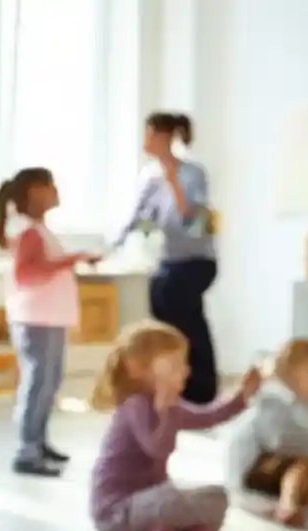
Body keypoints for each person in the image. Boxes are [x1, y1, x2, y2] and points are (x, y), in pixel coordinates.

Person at [89, 321, 260, 531]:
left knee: (218, 495)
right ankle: (191, 528)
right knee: (170, 500)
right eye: (176, 365)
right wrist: (167, 410)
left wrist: (242, 396)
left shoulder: (172, 407)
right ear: (138, 369)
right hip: (117, 511)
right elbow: (157, 449)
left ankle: (169, 530)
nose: (187, 371)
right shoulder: (135, 406)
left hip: (153, 501)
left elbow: (209, 416)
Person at [0, 167, 98, 477]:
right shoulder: (28, 232)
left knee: (49, 381)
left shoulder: (38, 230)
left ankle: (38, 441)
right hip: (35, 320)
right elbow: (27, 274)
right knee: (38, 383)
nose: (56, 190)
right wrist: (73, 259)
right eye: (49, 185)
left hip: (48, 319)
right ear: (34, 192)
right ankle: (27, 450)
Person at [114, 112, 219, 404]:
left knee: (186, 321)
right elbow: (141, 217)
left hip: (195, 260)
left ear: (166, 137)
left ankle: (201, 390)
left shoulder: (193, 173)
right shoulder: (148, 175)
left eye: (150, 134)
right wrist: (116, 245)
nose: (145, 141)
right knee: (161, 314)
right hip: (167, 261)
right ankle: (171, 385)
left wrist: (173, 181)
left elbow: (193, 219)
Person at [228, 339, 308, 527]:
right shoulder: (274, 402)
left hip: (273, 464)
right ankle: (287, 504)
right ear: (291, 379)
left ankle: (294, 494)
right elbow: (280, 442)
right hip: (253, 470)